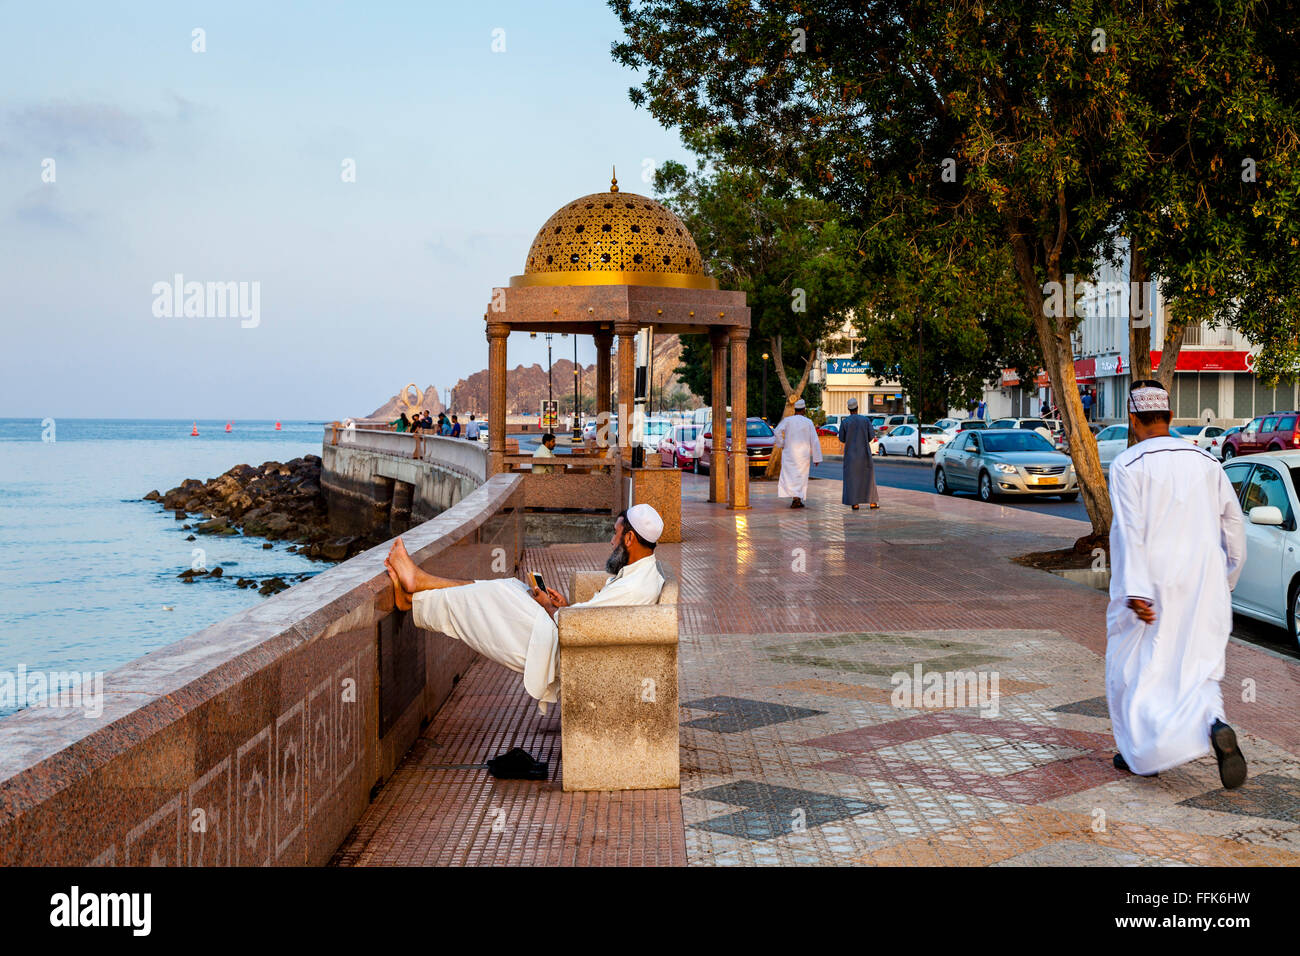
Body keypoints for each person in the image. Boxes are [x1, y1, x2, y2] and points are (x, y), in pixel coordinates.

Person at [384, 505, 666, 712]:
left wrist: (549, 608)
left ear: (630, 539)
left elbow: (584, 626)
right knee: (506, 589)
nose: (612, 541)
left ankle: (416, 589)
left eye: (616, 535)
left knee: (497, 593)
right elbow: (595, 619)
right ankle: (415, 591)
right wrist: (564, 607)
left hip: (572, 653)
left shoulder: (634, 585)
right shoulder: (640, 573)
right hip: (577, 641)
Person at [1105, 380, 1248, 788]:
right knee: (1198, 666)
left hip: (1150, 584)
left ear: (1132, 419)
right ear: (1169, 417)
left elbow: (1130, 530)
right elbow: (1233, 524)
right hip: (1204, 580)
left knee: (1135, 668)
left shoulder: (1128, 465)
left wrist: (1136, 591)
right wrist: (1228, 578)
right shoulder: (1206, 461)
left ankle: (1142, 755)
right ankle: (1214, 723)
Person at [772, 398, 822, 508]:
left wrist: (782, 444)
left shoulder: (788, 420)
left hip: (790, 453)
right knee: (801, 477)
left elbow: (777, 431)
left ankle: (795, 498)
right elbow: (814, 440)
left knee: (791, 476)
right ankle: (797, 498)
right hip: (803, 455)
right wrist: (816, 458)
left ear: (795, 409)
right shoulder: (808, 422)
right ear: (804, 410)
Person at [838, 397, 878, 511]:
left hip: (850, 456)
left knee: (852, 480)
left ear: (848, 409)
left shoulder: (845, 422)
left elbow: (842, 438)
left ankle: (855, 503)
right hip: (865, 454)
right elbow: (871, 436)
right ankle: (872, 502)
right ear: (857, 407)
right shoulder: (865, 420)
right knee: (868, 478)